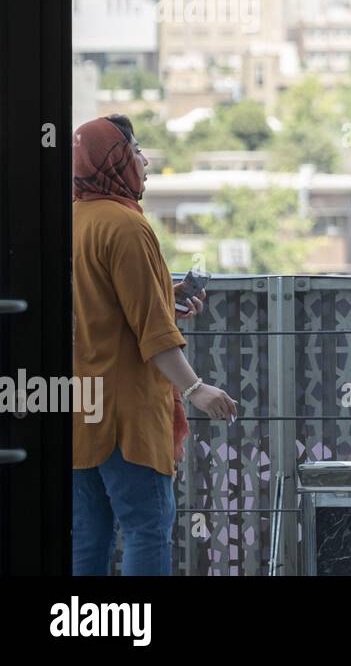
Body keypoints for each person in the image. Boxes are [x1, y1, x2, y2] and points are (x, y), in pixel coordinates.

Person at [71, 114, 238, 576]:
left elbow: (103, 307)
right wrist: (195, 389)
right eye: (137, 150)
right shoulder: (126, 226)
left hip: (79, 410)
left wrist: (170, 297)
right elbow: (152, 331)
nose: (144, 161)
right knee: (147, 528)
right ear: (118, 160)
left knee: (89, 536)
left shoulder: (73, 219)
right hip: (125, 416)